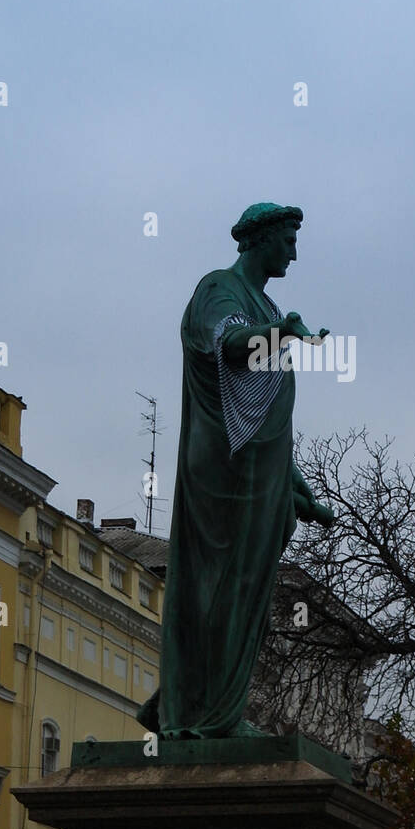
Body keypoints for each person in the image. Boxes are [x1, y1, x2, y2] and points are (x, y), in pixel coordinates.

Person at [137, 202, 335, 739]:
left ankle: (208, 707)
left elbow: (265, 404)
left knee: (244, 591)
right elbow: (229, 346)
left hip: (258, 473)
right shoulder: (219, 289)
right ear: (260, 239)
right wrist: (282, 334)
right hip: (221, 474)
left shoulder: (264, 304)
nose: (294, 251)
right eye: (288, 239)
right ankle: (200, 715)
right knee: (216, 586)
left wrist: (292, 483)